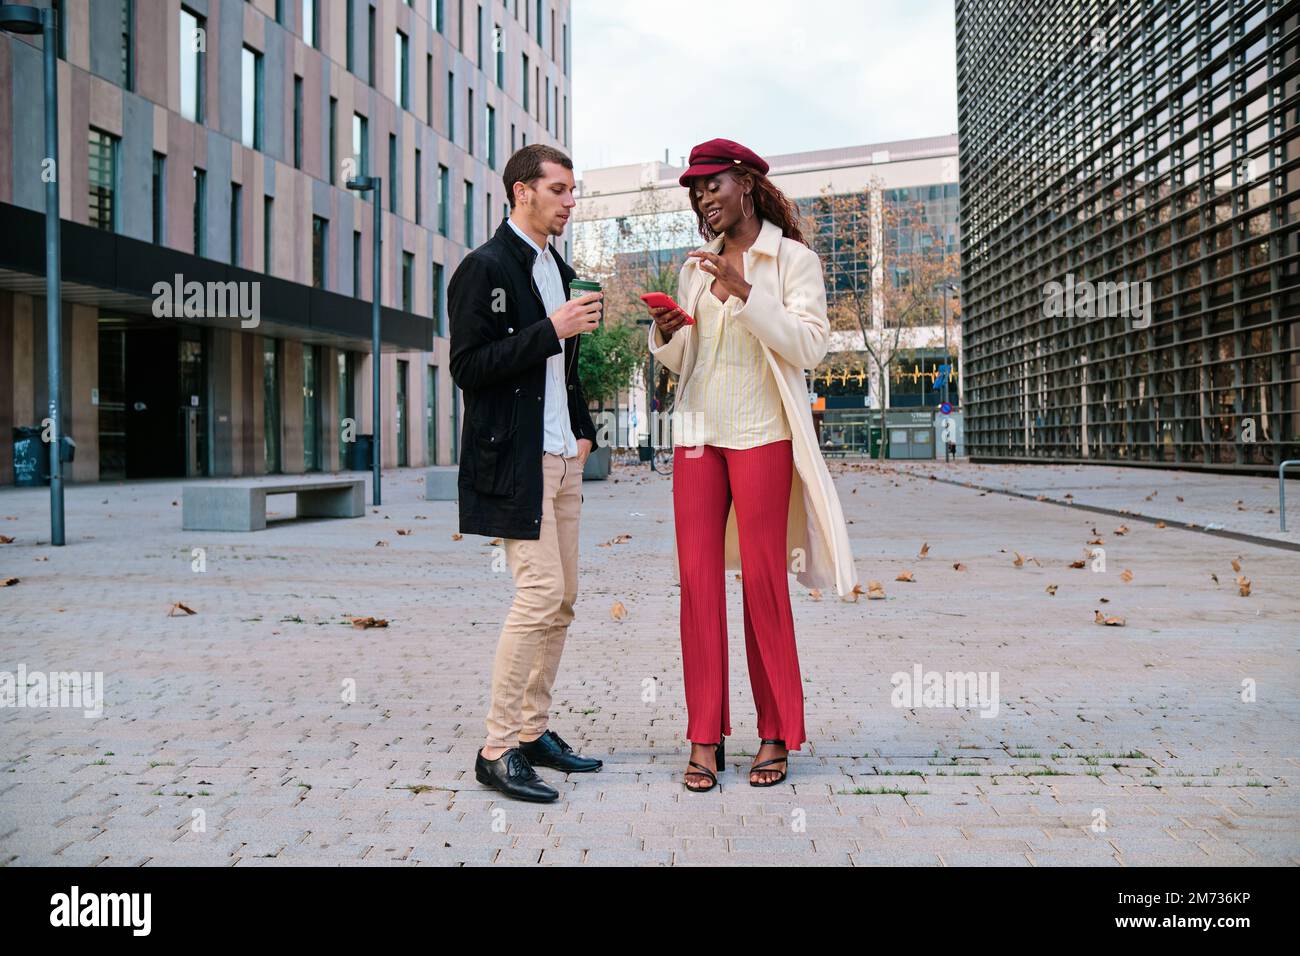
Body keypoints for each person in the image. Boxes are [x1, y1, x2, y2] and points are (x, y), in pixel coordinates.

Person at [646, 138, 859, 792]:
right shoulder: (695, 266)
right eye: (696, 191)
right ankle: (704, 736)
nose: (704, 199)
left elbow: (811, 346)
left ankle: (776, 731)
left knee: (765, 580)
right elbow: (690, 359)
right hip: (696, 435)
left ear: (745, 182)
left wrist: (743, 292)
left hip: (763, 434)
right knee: (697, 584)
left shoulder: (791, 260)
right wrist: (666, 333)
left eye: (713, 185)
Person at [448, 144, 604, 803]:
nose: (571, 201)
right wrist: (550, 328)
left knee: (562, 601)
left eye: (574, 191)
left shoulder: (554, 267)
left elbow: (559, 372)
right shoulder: (482, 268)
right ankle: (495, 748)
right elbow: (469, 367)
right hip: (514, 461)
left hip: (562, 458)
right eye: (560, 189)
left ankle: (534, 731)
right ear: (522, 192)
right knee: (538, 594)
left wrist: (584, 430)